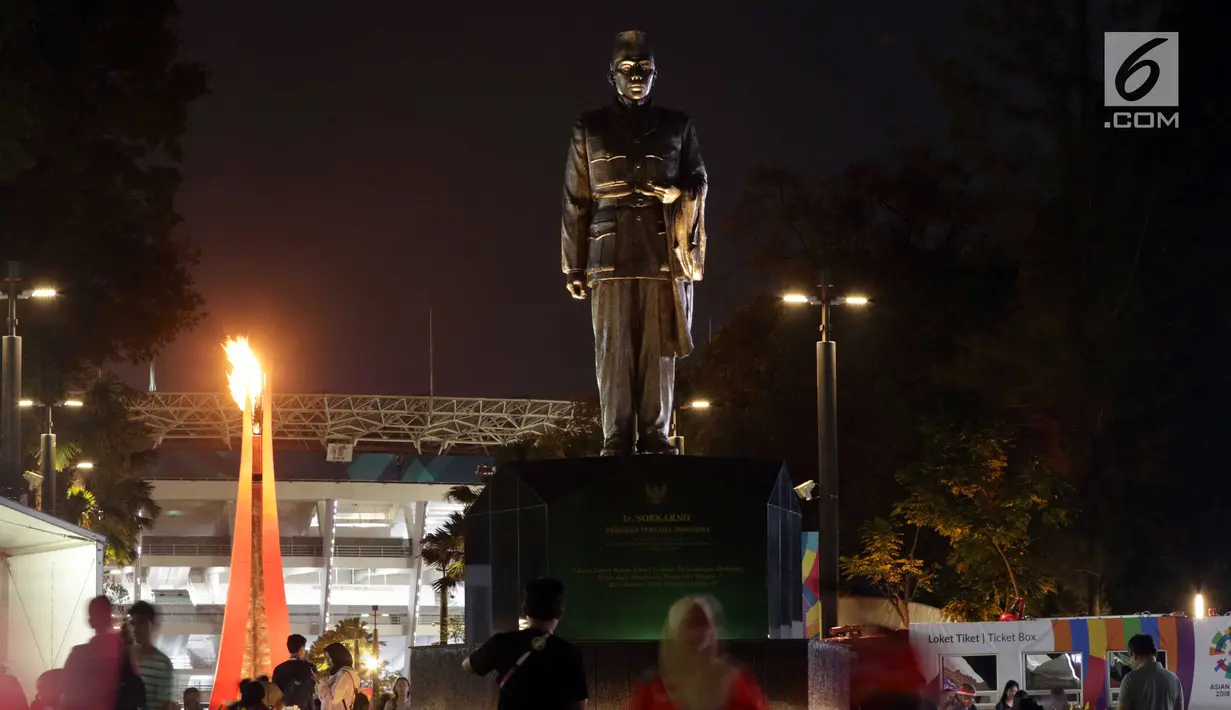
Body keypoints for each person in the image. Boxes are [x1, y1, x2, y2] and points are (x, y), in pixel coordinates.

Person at [560, 29, 709, 456]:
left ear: (655, 73)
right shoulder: (588, 126)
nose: (636, 76)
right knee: (613, 349)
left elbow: (698, 177)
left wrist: (681, 193)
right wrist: (573, 264)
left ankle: (656, 433)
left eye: (644, 68)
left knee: (659, 348)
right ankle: (617, 436)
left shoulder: (678, 125)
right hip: (608, 252)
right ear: (612, 74)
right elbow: (576, 198)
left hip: (663, 251)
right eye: (627, 69)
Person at [463, 577, 588, 709]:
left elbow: (468, 666)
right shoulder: (569, 653)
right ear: (560, 612)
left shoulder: (502, 643)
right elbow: (580, 703)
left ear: (524, 609)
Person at [629, 596, 765, 710]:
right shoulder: (652, 689)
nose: (699, 631)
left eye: (703, 623)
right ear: (675, 631)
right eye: (691, 623)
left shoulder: (737, 684)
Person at [61, 595, 145, 710]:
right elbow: (138, 696)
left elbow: (67, 697)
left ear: (90, 621)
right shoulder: (126, 655)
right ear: (111, 619)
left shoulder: (78, 655)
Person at [128, 601, 175, 710]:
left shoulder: (163, 664)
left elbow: (164, 706)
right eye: (133, 624)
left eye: (141, 623)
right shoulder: (124, 658)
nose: (135, 629)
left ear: (152, 625)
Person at [1118, 634, 1183, 710]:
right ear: (1155, 653)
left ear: (1134, 654)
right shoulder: (1174, 679)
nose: (1131, 662)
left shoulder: (1130, 680)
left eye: (1130, 657)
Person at [273, 634, 316, 710]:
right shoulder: (309, 668)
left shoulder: (278, 669)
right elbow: (313, 689)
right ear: (302, 648)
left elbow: (275, 692)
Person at [315, 643, 361, 710]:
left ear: (336, 657)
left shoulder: (344, 675)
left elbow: (333, 699)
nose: (327, 661)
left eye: (329, 658)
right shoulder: (346, 674)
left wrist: (321, 681)